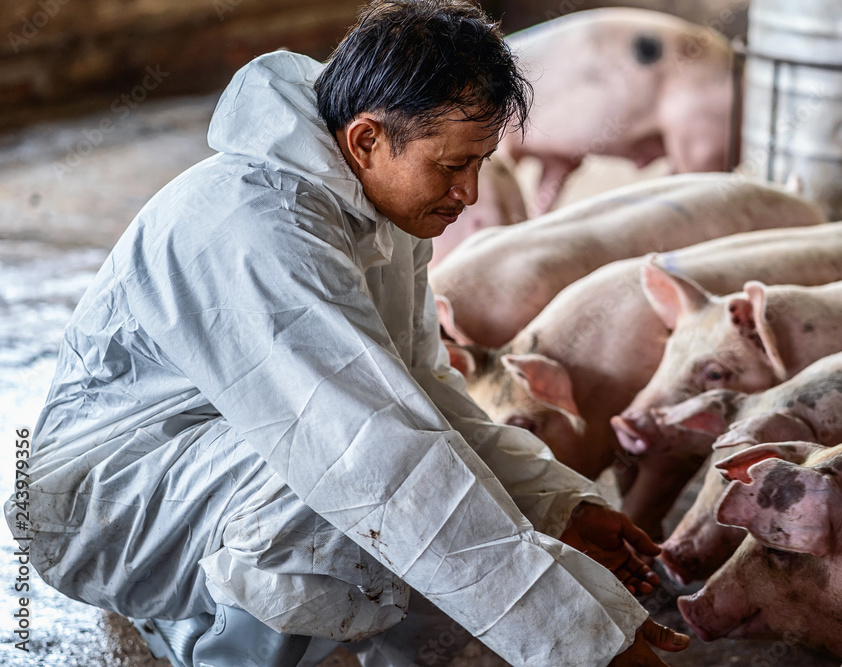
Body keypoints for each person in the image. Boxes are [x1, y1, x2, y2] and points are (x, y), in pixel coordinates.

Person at [6, 1, 691, 665]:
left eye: (481, 164)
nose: (471, 195)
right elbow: (372, 457)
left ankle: (201, 603)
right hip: (107, 497)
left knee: (414, 508)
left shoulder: (379, 205)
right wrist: (577, 640)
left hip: (209, 457)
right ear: (367, 139)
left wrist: (554, 502)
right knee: (347, 499)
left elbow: (419, 391)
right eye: (454, 165)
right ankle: (219, 647)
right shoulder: (254, 229)